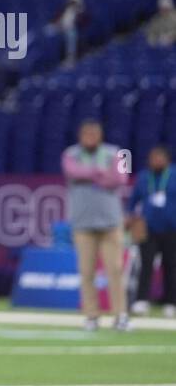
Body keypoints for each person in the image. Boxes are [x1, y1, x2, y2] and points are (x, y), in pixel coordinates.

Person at [61, 118, 128, 331]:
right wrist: (99, 173)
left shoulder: (115, 153)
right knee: (86, 271)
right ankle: (91, 316)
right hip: (83, 223)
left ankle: (120, 315)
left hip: (110, 222)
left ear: (100, 135)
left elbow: (120, 179)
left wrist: (89, 174)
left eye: (93, 134)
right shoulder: (71, 154)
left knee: (115, 270)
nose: (90, 138)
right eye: (86, 134)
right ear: (81, 136)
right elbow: (73, 172)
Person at [128, 144, 176, 317]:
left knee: (171, 266)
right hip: (148, 228)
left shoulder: (174, 175)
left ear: (167, 159)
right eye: (153, 158)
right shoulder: (143, 177)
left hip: (172, 228)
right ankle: (141, 300)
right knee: (145, 264)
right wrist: (131, 216)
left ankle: (171, 302)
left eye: (160, 157)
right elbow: (133, 201)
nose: (156, 161)